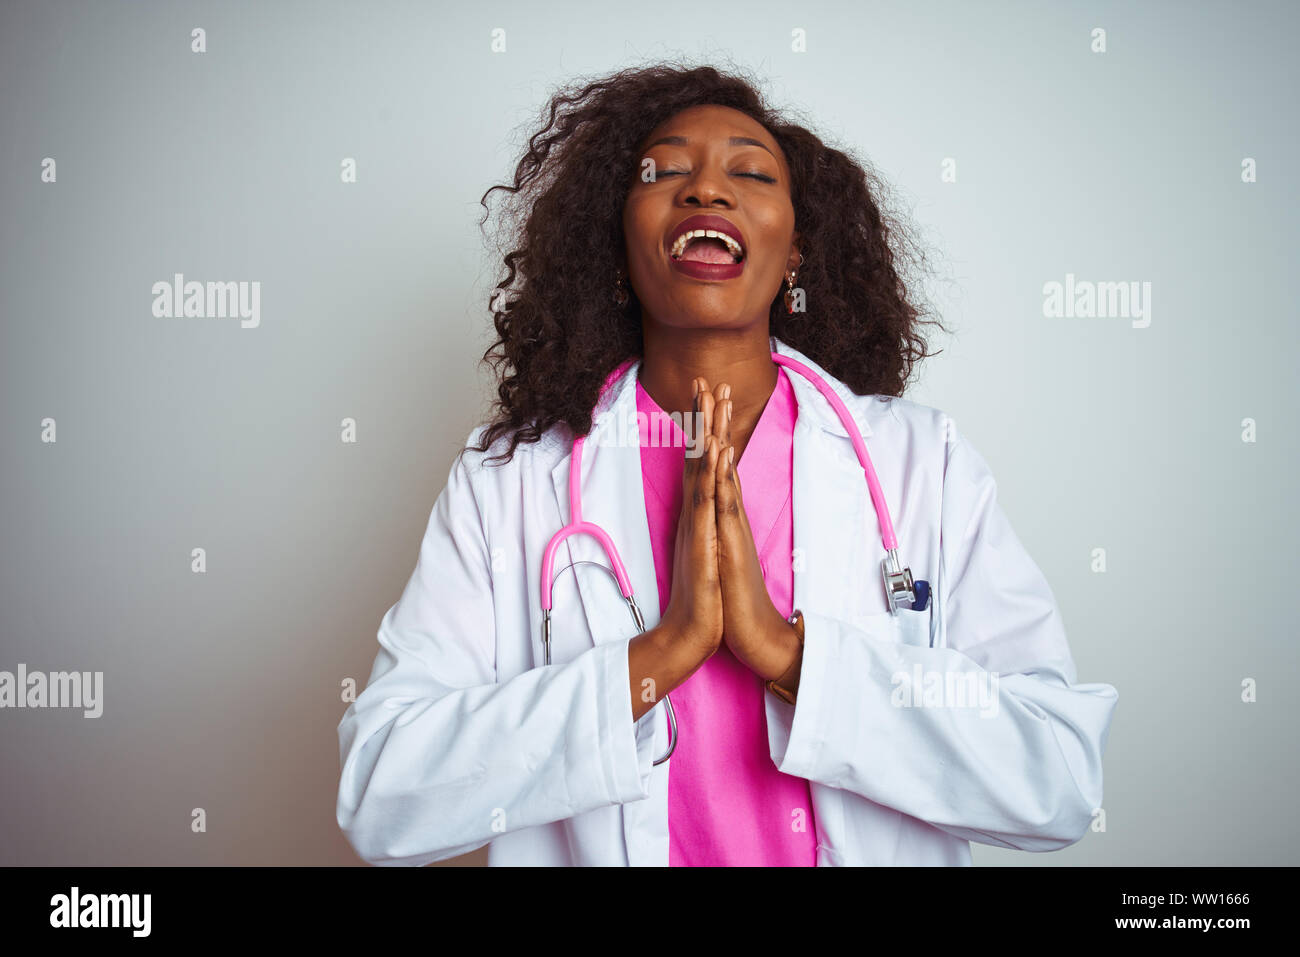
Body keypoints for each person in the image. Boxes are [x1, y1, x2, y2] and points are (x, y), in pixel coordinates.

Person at [335, 63, 1118, 866]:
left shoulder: (923, 465)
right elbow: (383, 790)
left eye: (749, 171)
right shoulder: (508, 483)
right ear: (614, 246)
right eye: (664, 171)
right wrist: (659, 655)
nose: (706, 190)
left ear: (795, 255)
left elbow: (1057, 776)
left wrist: (787, 655)